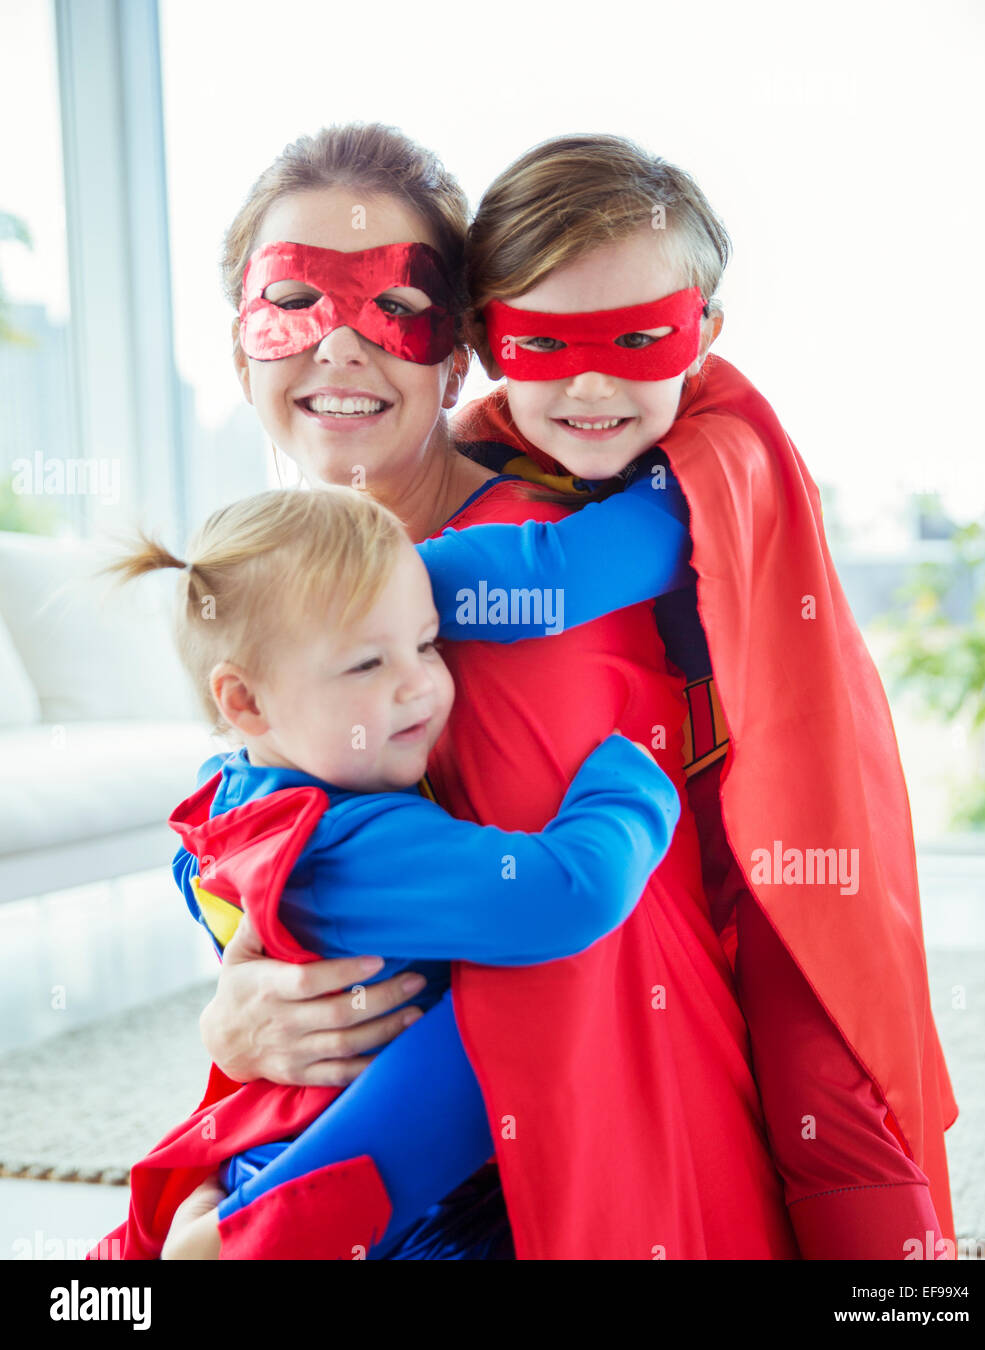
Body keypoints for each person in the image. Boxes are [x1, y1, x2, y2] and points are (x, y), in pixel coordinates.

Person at [149, 122, 799, 1260]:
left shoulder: (509, 571)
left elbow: (551, 946)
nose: (340, 349)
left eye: (393, 311)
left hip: (531, 1174)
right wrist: (241, 1014)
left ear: (457, 352)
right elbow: (275, 833)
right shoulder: (294, 576)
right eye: (293, 300)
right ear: (241, 348)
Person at [428, 132, 957, 1258]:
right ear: (481, 345)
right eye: (541, 341)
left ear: (704, 331)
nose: (590, 382)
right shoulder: (479, 457)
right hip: (655, 837)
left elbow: (546, 585)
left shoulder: (726, 451)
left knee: (831, 1090)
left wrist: (318, 583)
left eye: (639, 337)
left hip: (787, 835)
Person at [95, 487, 679, 1259]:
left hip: (316, 1158)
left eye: (429, 644)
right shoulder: (351, 844)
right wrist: (634, 777)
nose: (420, 685)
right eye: (368, 662)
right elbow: (566, 894)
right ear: (245, 702)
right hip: (389, 1216)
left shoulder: (232, 800)